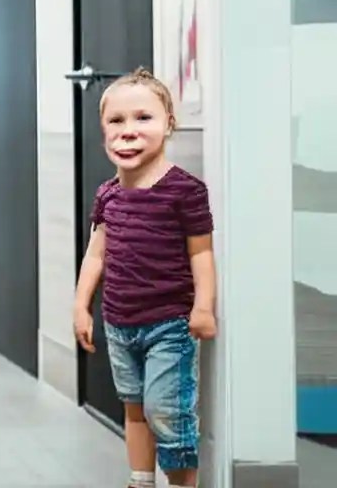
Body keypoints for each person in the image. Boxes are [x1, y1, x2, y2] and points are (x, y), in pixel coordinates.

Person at [72, 68, 217, 488]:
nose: (128, 130)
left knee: (166, 410)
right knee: (134, 406)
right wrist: (81, 304)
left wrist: (203, 306)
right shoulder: (108, 194)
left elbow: (201, 252)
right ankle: (140, 480)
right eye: (116, 121)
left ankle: (181, 484)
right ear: (103, 131)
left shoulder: (185, 191)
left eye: (143, 118)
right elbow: (96, 253)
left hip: (169, 324)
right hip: (119, 323)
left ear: (169, 123)